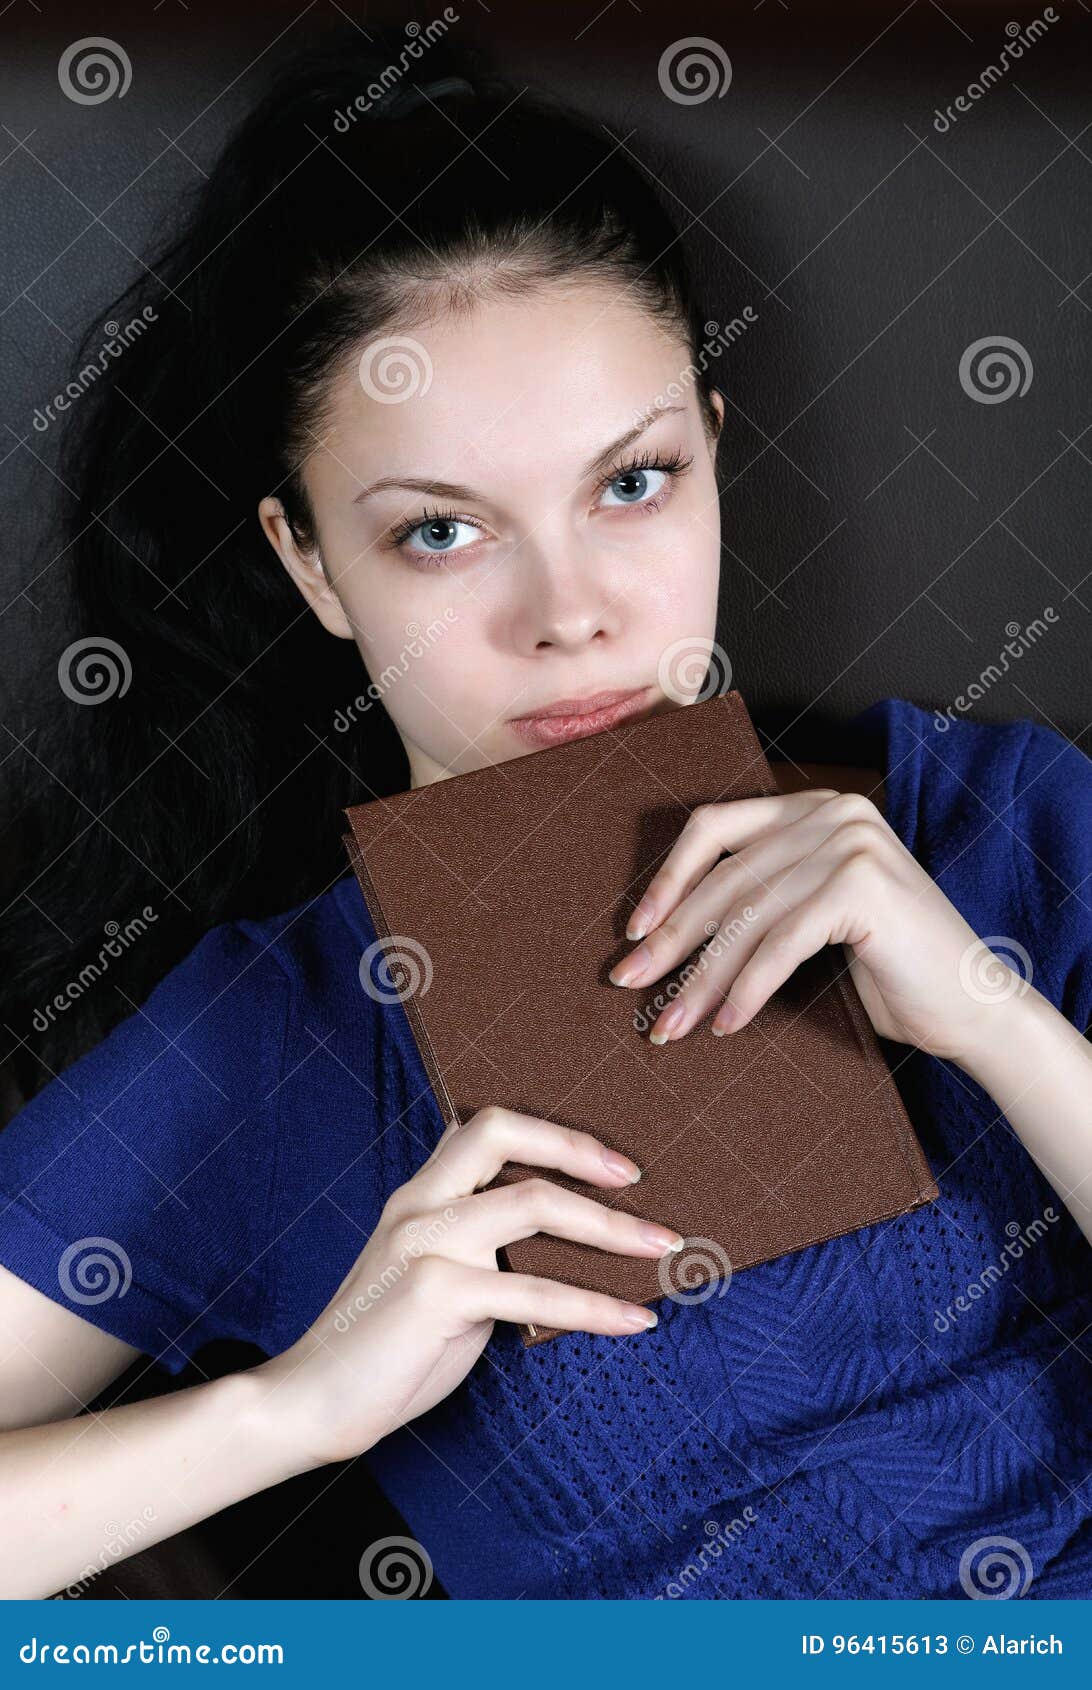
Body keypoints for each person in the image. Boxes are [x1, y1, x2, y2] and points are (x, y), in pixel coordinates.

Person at [0, 28, 1090, 1603]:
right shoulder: (275, 1035)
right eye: (442, 529)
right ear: (313, 565)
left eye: (631, 484)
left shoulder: (996, 823)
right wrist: (291, 1406)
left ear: (712, 449)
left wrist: (994, 1020)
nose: (569, 612)